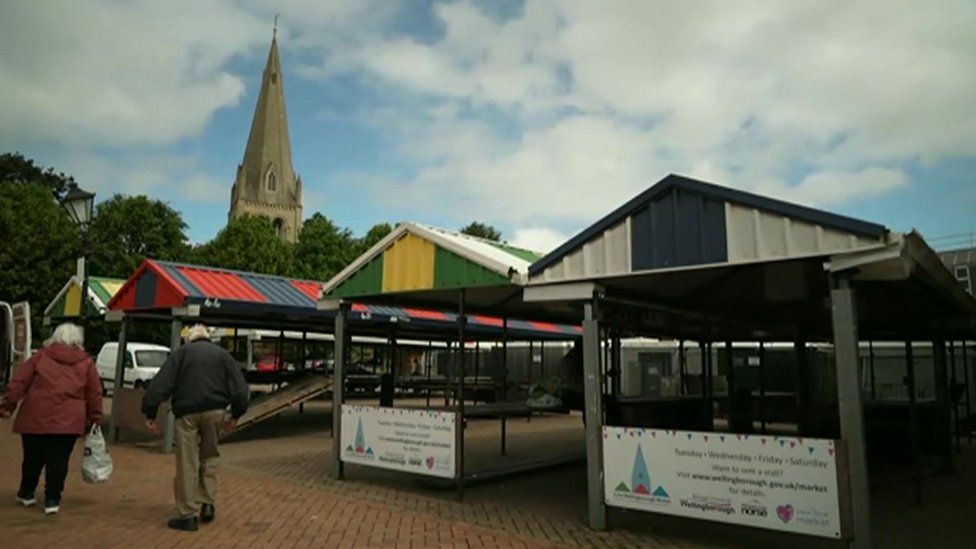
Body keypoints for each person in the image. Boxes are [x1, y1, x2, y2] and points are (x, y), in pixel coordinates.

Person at [142, 324, 248, 532]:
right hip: (216, 411)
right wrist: (236, 414)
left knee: (187, 462)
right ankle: (207, 503)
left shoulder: (181, 354)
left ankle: (186, 514)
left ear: (189, 339)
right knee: (209, 456)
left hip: (187, 413)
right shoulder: (223, 355)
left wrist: (150, 412)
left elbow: (161, 384)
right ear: (208, 337)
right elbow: (239, 387)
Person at [0, 322, 102, 515]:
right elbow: (94, 393)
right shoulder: (87, 363)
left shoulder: (40, 357)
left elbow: (19, 383)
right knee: (59, 460)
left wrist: (7, 406)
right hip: (69, 421)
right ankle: (52, 499)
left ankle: (27, 493)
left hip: (35, 416)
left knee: (32, 458)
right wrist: (95, 418)